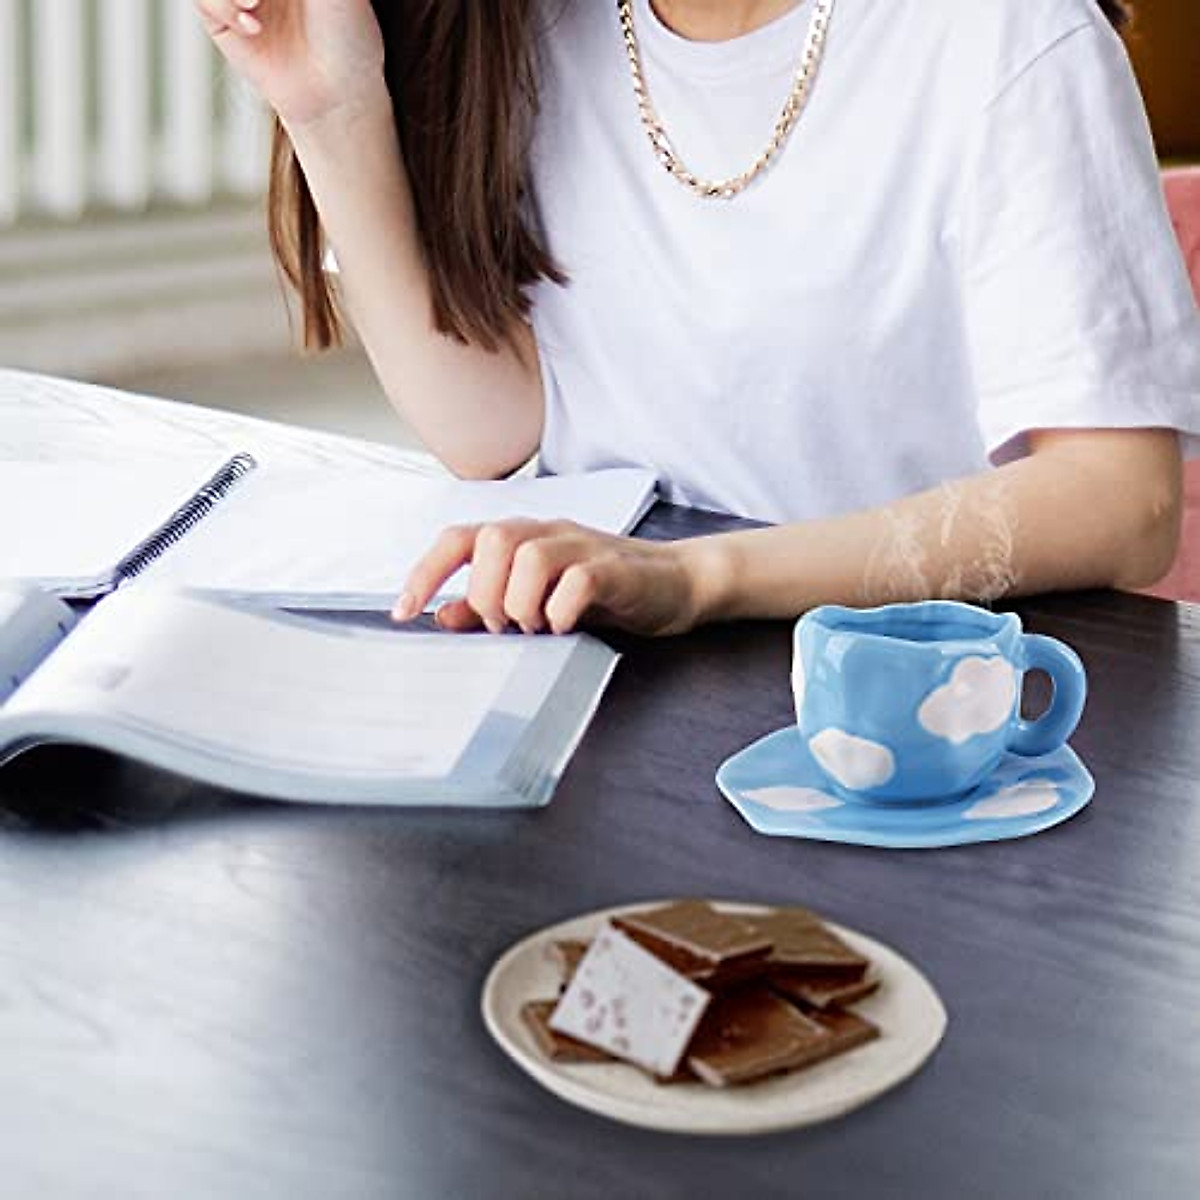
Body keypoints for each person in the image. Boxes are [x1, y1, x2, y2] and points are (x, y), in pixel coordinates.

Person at [197, 0, 1200, 636]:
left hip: (919, 723)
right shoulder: (524, 32)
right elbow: (494, 431)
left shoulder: (1003, 36)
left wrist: (696, 579)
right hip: (602, 687)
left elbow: (1122, 504)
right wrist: (327, 109)